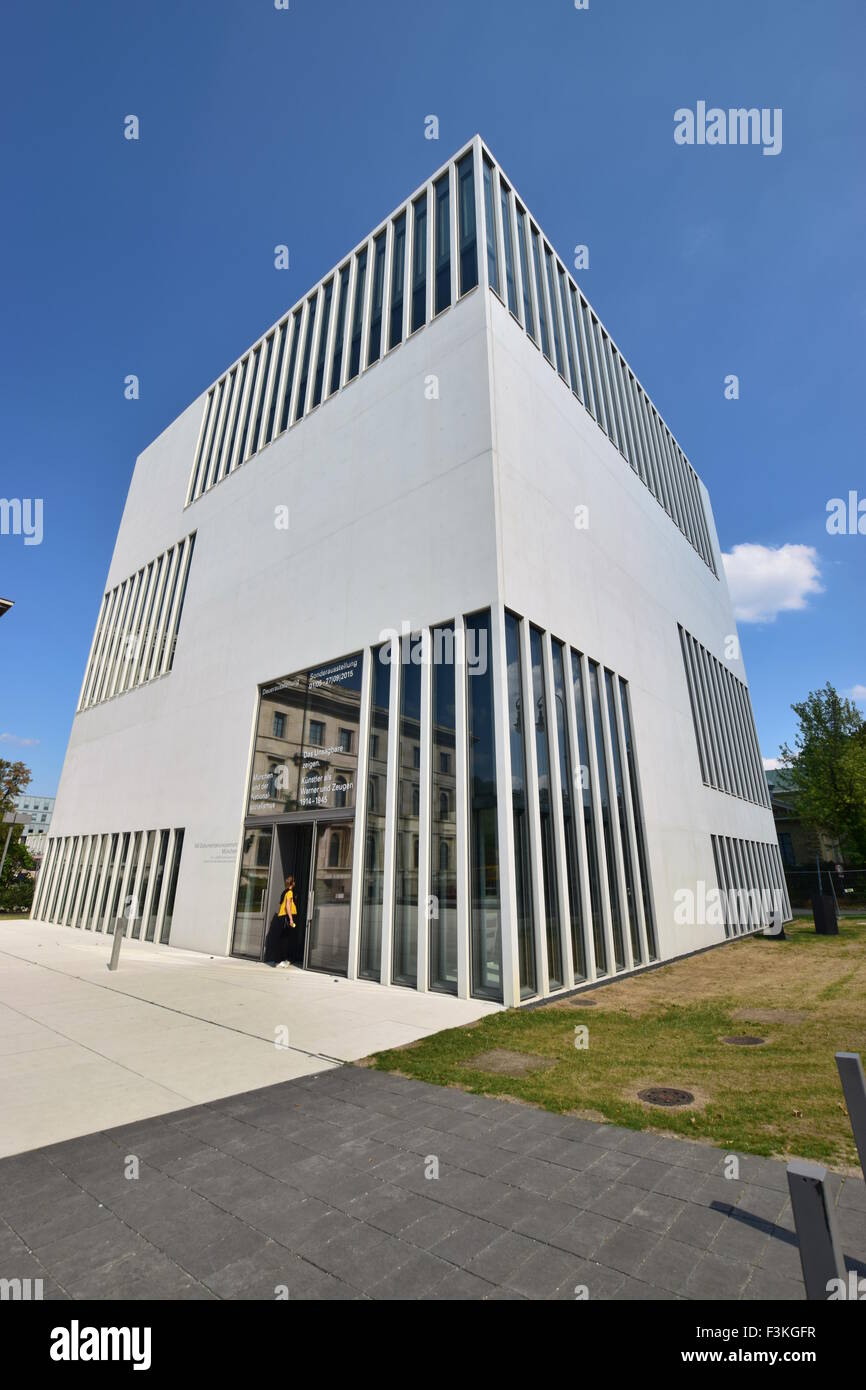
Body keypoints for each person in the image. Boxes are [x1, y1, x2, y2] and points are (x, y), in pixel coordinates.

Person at [263, 875, 297, 967]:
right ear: (292, 883)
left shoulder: (284, 892)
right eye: (294, 882)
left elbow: (281, 906)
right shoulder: (290, 892)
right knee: (286, 939)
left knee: (282, 938)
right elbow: (287, 906)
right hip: (286, 917)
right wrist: (290, 919)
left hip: (281, 917)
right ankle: (283, 960)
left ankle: (279, 959)